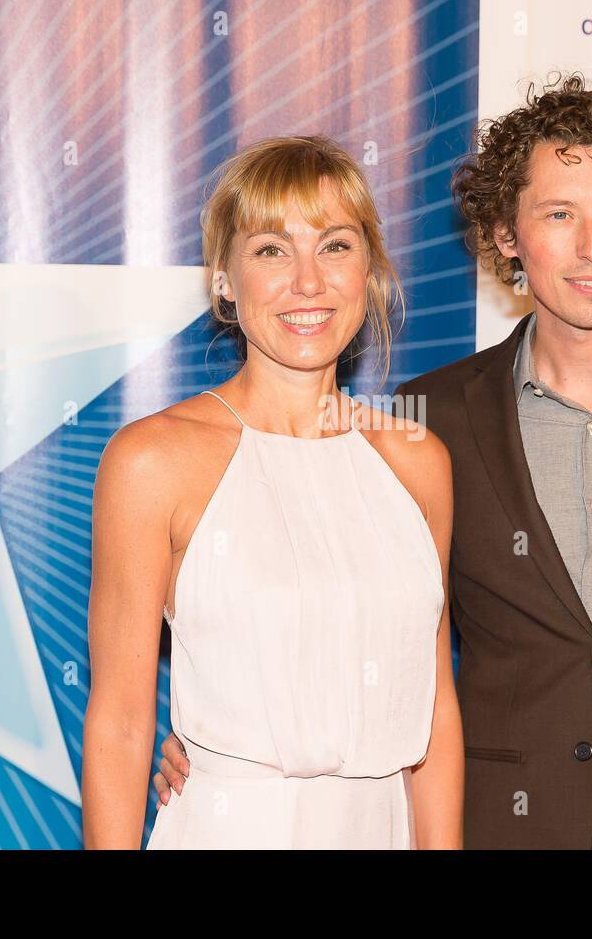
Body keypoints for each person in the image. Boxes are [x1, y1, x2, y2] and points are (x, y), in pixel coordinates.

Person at [154, 75, 592, 849]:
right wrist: (224, 751)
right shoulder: (428, 423)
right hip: (503, 826)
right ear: (508, 236)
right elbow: (367, 629)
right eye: (558, 214)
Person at [82, 135, 463, 849]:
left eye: (336, 246)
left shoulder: (417, 461)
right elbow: (123, 721)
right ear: (224, 279)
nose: (308, 282)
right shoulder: (152, 460)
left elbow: (434, 710)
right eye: (270, 251)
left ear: (371, 269)